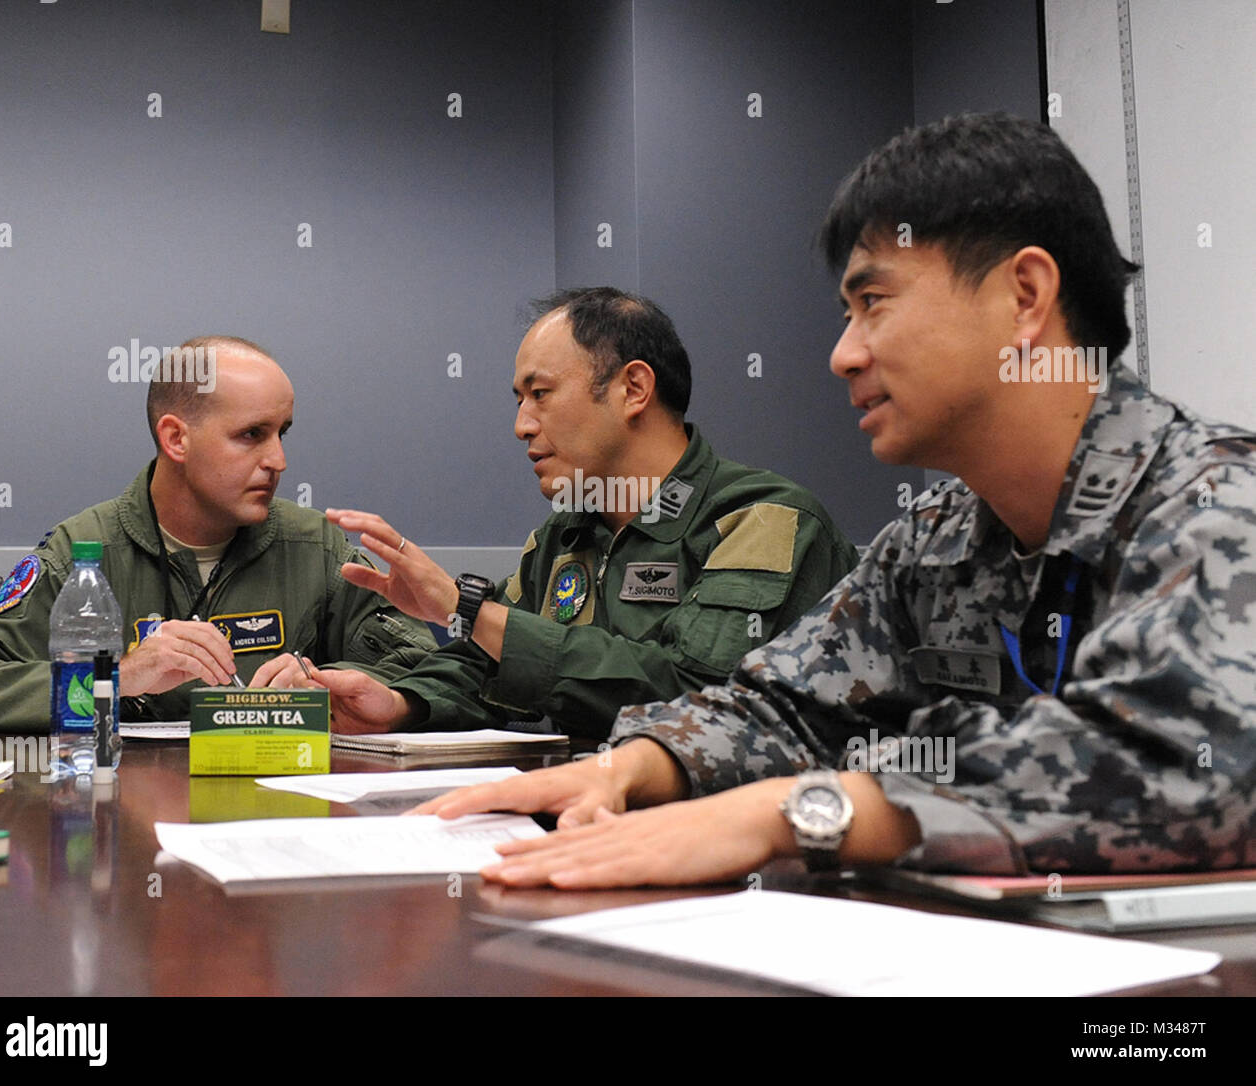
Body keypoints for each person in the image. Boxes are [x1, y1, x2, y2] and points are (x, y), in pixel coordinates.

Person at [417, 113, 1256, 887]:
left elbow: (1182, 766)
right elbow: (784, 703)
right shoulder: (932, 540)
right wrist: (636, 764)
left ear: (1025, 297)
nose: (843, 354)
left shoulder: (1217, 506)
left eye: (873, 302)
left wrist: (799, 814)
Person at [267, 288, 856, 739]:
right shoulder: (566, 532)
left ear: (633, 389)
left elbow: (695, 691)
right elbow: (484, 666)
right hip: (578, 822)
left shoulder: (762, 518)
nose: (522, 424)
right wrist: (399, 703)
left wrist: (462, 607)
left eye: (540, 394)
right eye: (519, 400)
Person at [0, 336, 436, 731]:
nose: (278, 461)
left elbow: (429, 671)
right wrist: (116, 678)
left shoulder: (317, 548)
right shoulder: (82, 555)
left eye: (281, 433)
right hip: (121, 819)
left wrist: (327, 683)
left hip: (274, 816)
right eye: (252, 434)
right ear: (176, 438)